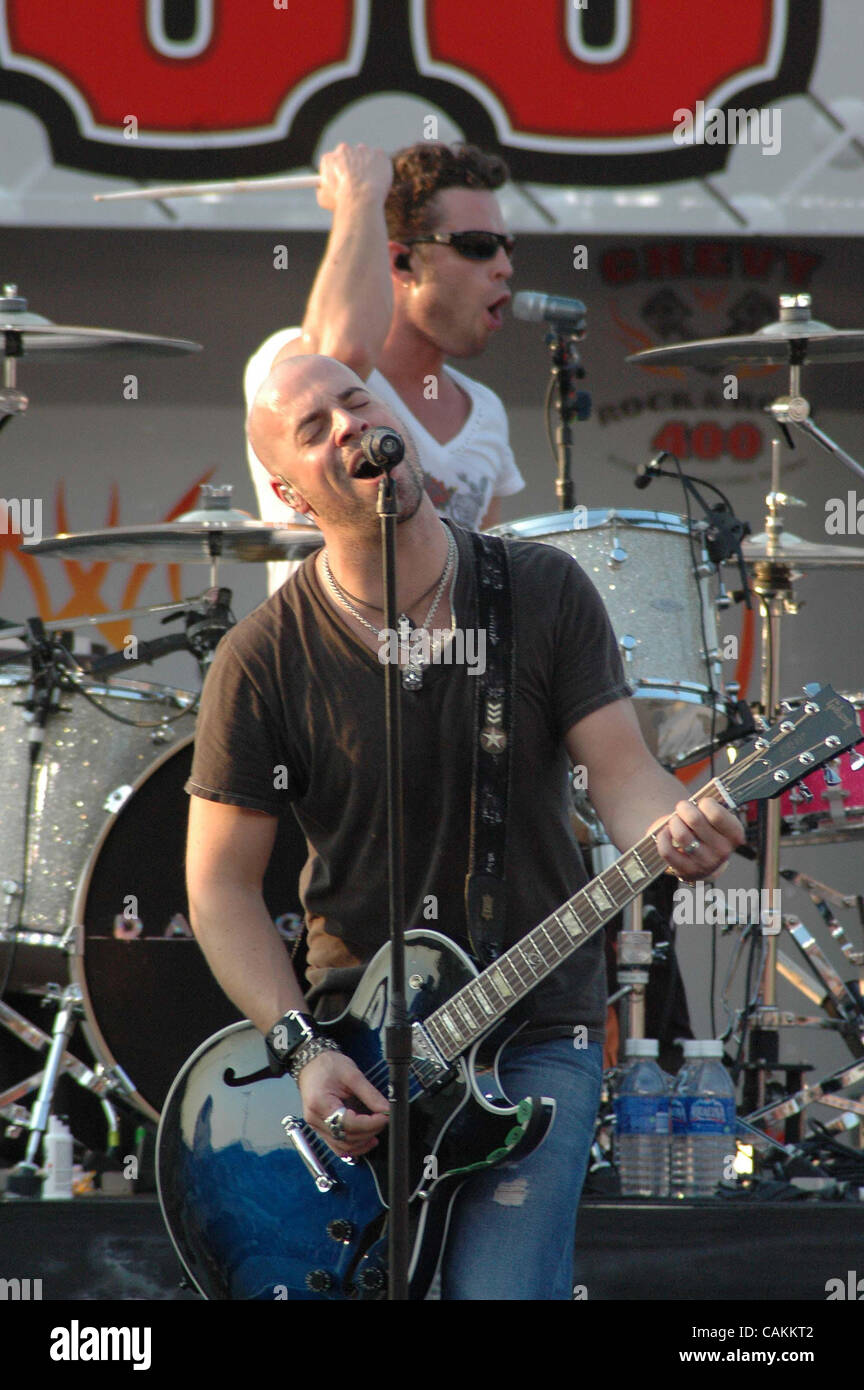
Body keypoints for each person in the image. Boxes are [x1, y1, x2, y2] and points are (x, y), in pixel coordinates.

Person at [187, 354, 745, 1300]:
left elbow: (625, 778)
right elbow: (219, 888)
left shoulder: (541, 589)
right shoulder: (263, 659)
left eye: (355, 402)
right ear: (288, 494)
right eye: (314, 429)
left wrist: (680, 828)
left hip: (537, 1028)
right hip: (363, 1046)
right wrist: (304, 1050)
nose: (348, 427)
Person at [245, 141, 524, 592]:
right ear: (400, 260)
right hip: (331, 637)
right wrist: (360, 195)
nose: (504, 267)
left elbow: (485, 576)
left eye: (507, 248)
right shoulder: (297, 368)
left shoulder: (486, 409)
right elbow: (342, 349)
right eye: (479, 247)